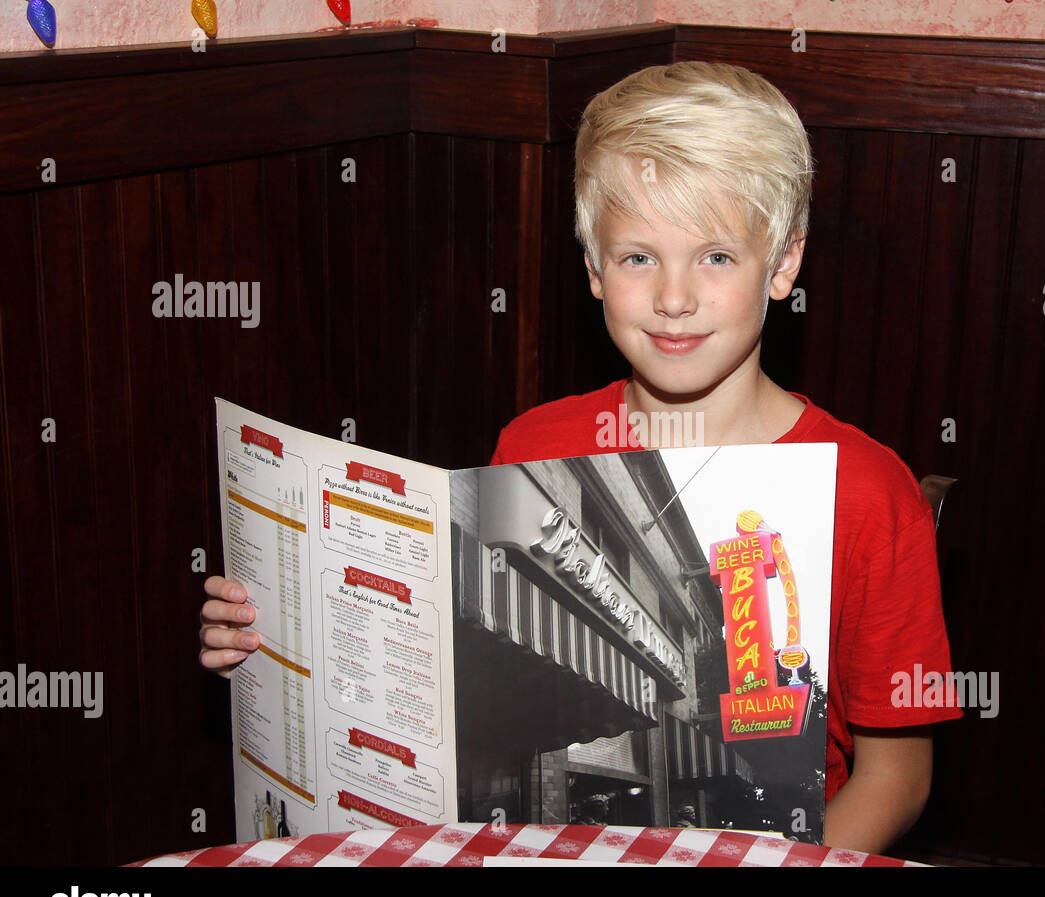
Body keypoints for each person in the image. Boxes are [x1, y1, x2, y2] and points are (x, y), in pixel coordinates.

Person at [199, 61, 961, 855]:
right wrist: (275, 651)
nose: (673, 298)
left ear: (784, 264)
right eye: (637, 258)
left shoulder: (870, 491)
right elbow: (444, 693)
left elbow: (899, 776)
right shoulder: (530, 447)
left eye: (716, 257)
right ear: (594, 269)